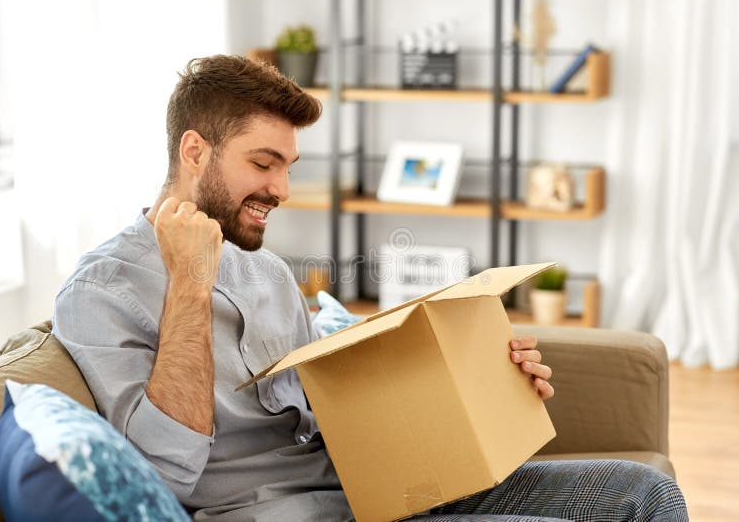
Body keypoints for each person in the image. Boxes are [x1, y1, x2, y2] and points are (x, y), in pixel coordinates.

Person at [52, 55, 688, 522]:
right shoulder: (101, 291)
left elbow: (336, 410)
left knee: (645, 493)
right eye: (263, 163)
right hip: (288, 513)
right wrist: (190, 284)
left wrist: (480, 380)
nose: (281, 190)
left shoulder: (267, 271)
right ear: (194, 152)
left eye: (287, 167)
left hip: (378, 488)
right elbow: (164, 470)